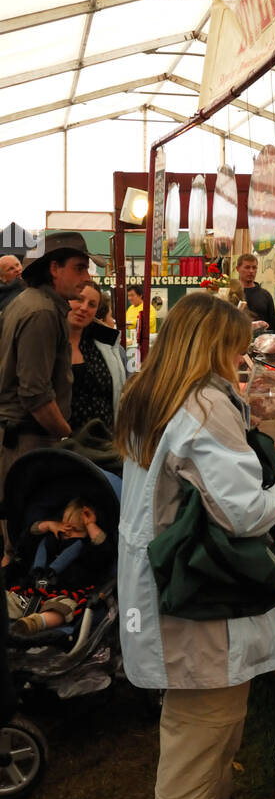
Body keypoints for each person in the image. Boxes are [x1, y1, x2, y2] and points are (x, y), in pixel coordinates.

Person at [115, 293, 275, 799]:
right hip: (195, 595)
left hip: (171, 582)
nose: (242, 356)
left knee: (210, 721)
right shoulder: (204, 402)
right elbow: (242, 511)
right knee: (198, 728)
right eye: (237, 345)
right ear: (214, 344)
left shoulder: (156, 392)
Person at [0, 232, 105, 561]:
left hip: (23, 440)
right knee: (25, 542)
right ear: (54, 268)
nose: (86, 277)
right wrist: (68, 438)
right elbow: (35, 394)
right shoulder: (42, 312)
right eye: (79, 267)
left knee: (24, 536)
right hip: (27, 441)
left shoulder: (33, 304)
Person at [7, 497, 114, 638]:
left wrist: (91, 525)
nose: (68, 533)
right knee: (10, 598)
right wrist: (47, 525)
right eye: (65, 526)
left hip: (64, 595)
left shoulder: (87, 550)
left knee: (63, 609)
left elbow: (103, 551)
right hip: (31, 594)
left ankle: (34, 623)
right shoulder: (50, 541)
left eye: (75, 529)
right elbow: (25, 543)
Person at [67, 280, 128, 431]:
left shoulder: (106, 345)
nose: (84, 308)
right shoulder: (49, 341)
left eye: (92, 304)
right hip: (61, 443)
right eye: (79, 299)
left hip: (104, 444)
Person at [236, 253, 275, 332]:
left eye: (254, 268)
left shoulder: (265, 295)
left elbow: (272, 326)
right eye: (247, 267)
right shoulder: (232, 293)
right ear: (238, 269)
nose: (251, 271)